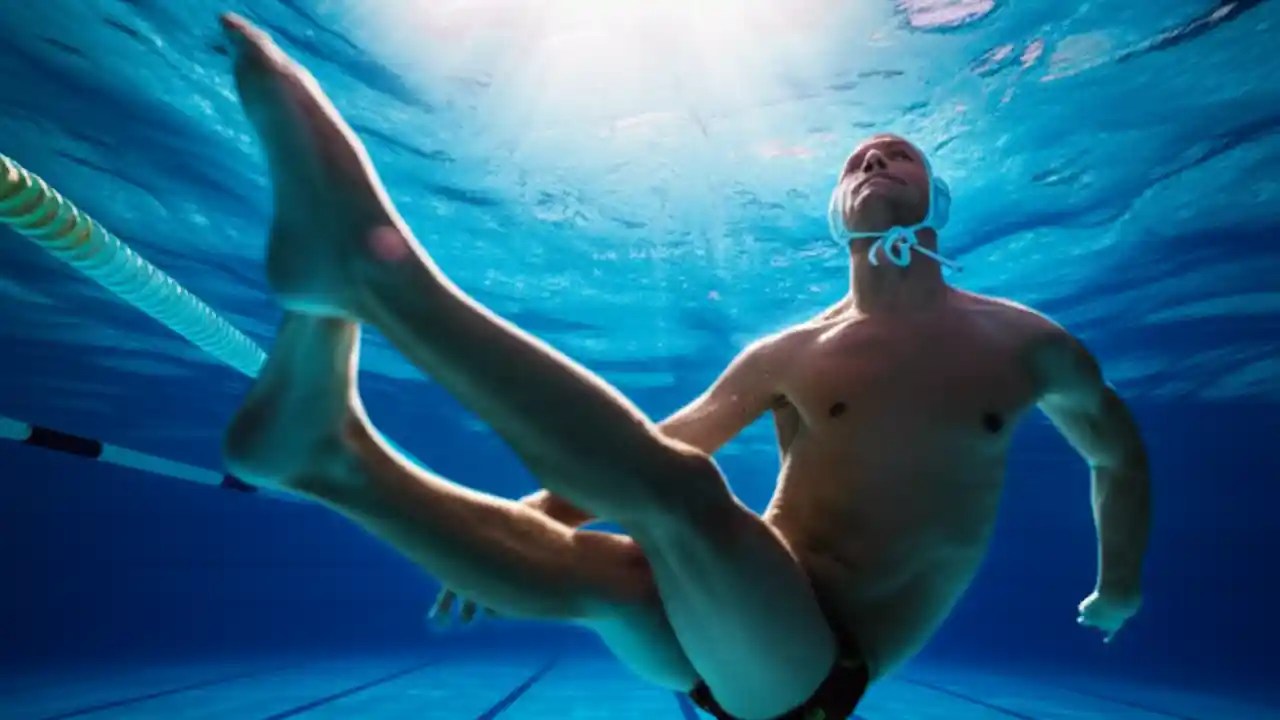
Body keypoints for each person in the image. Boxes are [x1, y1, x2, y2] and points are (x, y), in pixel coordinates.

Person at [217, 13, 1151, 720]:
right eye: (856, 159)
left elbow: (1114, 455)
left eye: (896, 154)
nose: (873, 156)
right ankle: (329, 457)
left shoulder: (1022, 344)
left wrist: (1119, 584)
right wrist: (522, 522)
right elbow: (665, 439)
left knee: (686, 501)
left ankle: (380, 285)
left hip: (819, 668)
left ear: (934, 200)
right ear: (836, 212)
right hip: (727, 620)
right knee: (595, 572)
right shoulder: (793, 352)